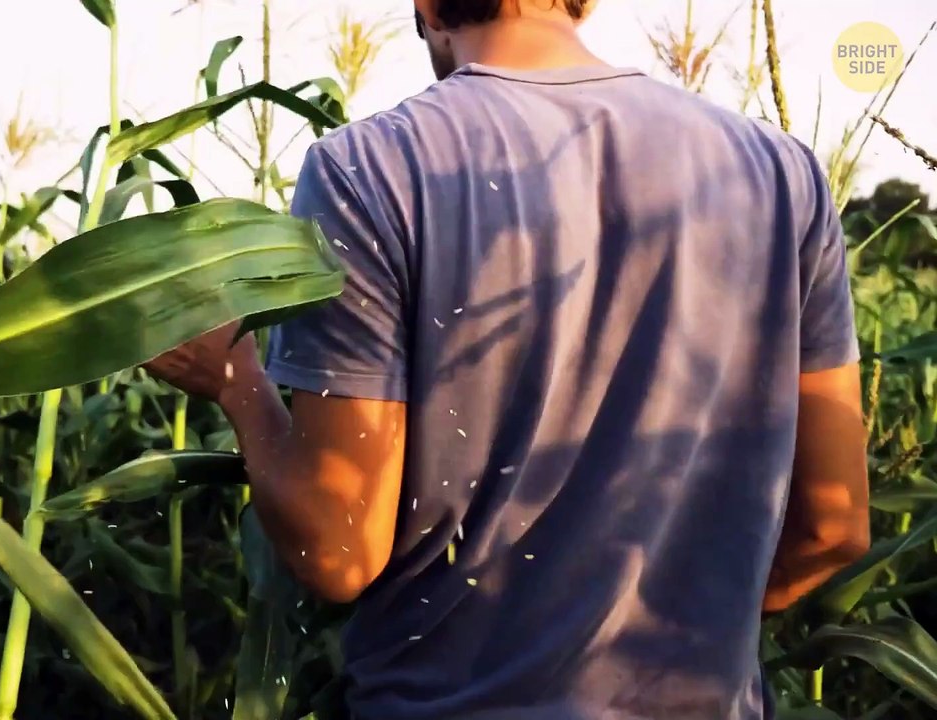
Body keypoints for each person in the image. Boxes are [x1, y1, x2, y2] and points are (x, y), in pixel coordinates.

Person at [142, 0, 872, 718]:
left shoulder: (368, 169)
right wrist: (701, 641)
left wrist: (233, 378)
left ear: (429, 6)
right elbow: (833, 529)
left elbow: (340, 549)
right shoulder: (783, 175)